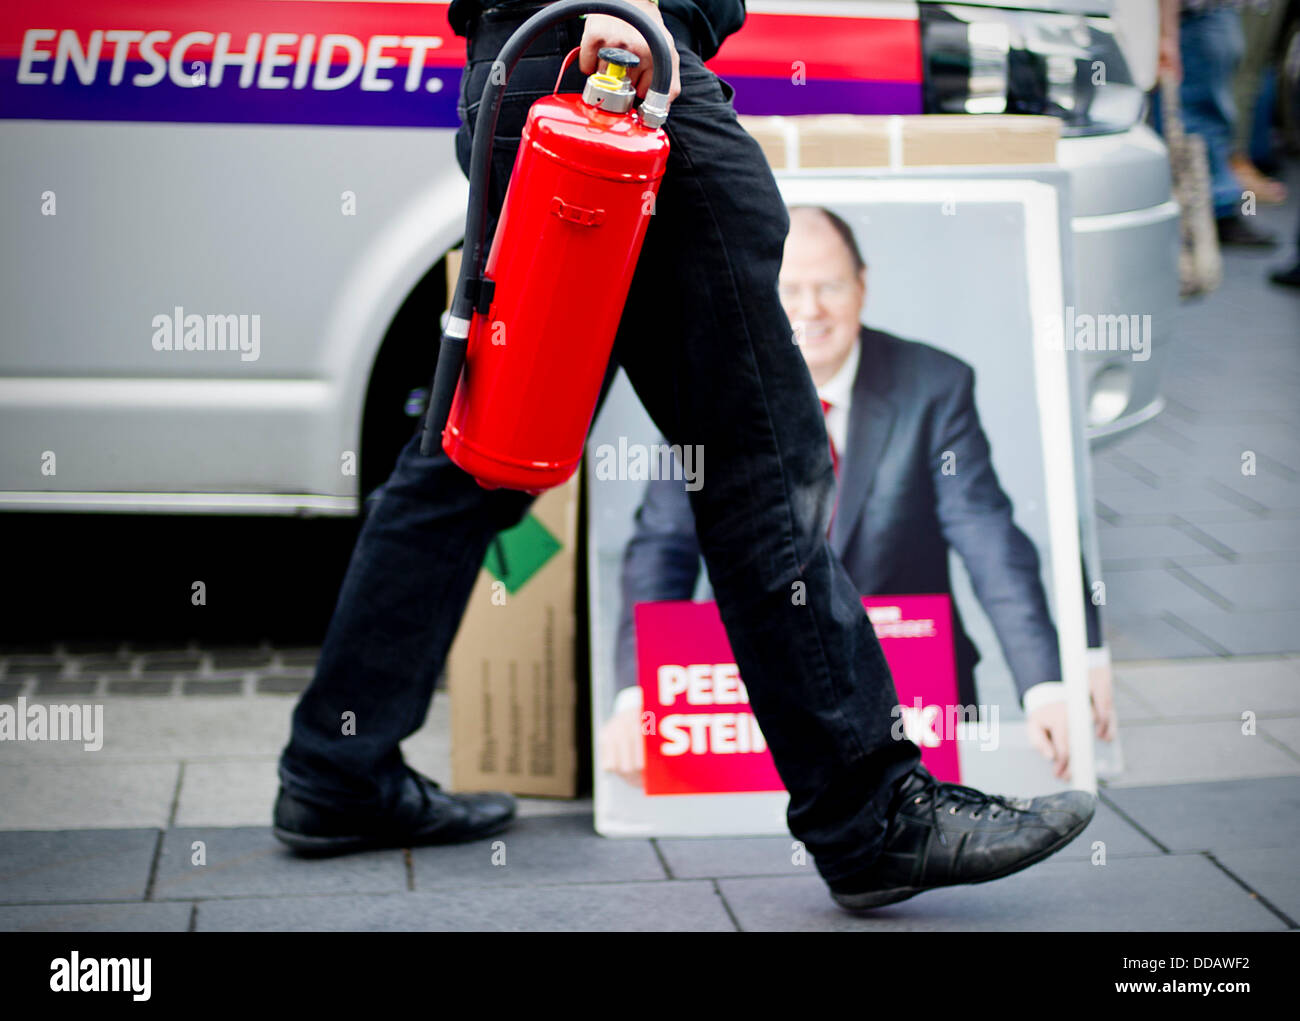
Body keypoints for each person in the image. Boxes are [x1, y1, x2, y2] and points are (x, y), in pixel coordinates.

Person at [273, 0, 1095, 913]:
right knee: (759, 465)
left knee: (488, 452)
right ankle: (872, 816)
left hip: (536, 68)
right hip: (618, 60)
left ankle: (335, 765)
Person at [602, 206, 1115, 786]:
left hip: (912, 686)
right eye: (788, 289)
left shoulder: (934, 386)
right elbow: (662, 549)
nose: (811, 309)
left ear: (862, 287)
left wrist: (1045, 685)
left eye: (830, 286)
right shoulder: (708, 393)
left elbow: (988, 537)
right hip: (749, 695)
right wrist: (635, 693)